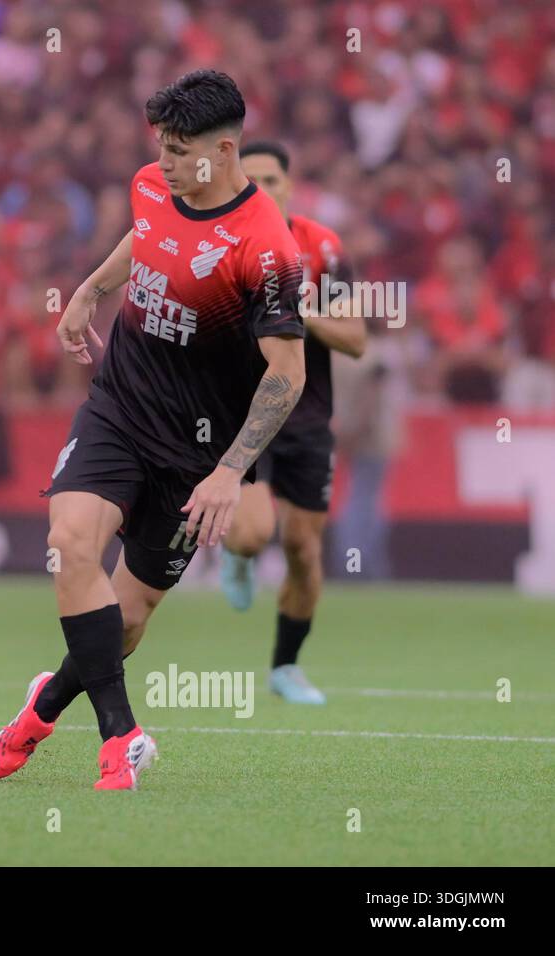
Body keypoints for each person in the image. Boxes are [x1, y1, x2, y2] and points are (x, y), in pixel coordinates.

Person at [0, 71, 306, 791]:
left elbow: (288, 373)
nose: (162, 162)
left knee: (123, 624)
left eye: (179, 149)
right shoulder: (153, 184)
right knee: (69, 546)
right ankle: (120, 738)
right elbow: (149, 235)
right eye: (159, 145)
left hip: (195, 454)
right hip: (118, 410)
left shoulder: (268, 249)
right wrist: (93, 289)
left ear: (224, 152)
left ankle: (40, 711)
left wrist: (229, 471)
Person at [218, 141, 367, 705]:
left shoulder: (322, 248)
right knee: (256, 533)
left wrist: (295, 310)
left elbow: (355, 339)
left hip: (306, 418)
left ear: (288, 184)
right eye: (249, 179)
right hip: (245, 414)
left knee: (305, 549)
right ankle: (238, 554)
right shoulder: (223, 245)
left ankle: (285, 667)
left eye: (271, 179)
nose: (261, 188)